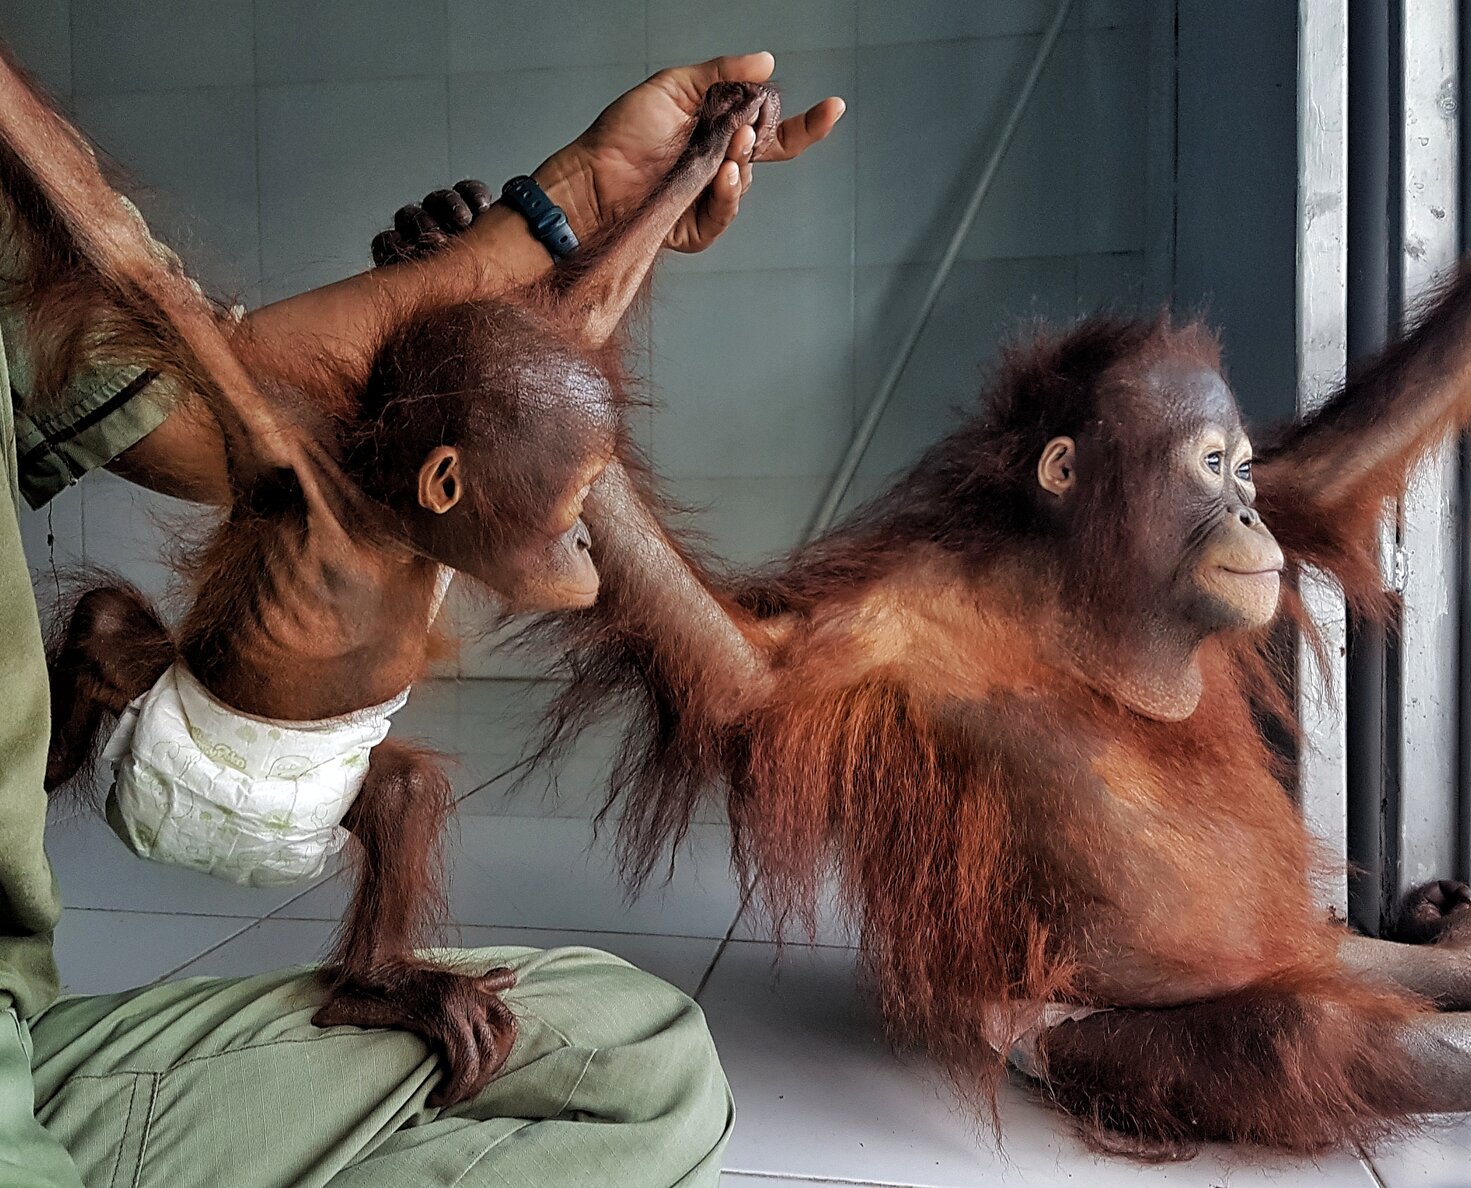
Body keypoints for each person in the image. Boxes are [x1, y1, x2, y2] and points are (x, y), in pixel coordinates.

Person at [0, 52, 843, 1187]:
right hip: (177, 764)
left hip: (307, 799)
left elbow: (584, 311)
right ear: (445, 488)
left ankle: (372, 965)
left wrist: (686, 166)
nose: (587, 552)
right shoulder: (300, 492)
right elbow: (132, 279)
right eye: (566, 521)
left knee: (415, 798)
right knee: (103, 626)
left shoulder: (440, 488)